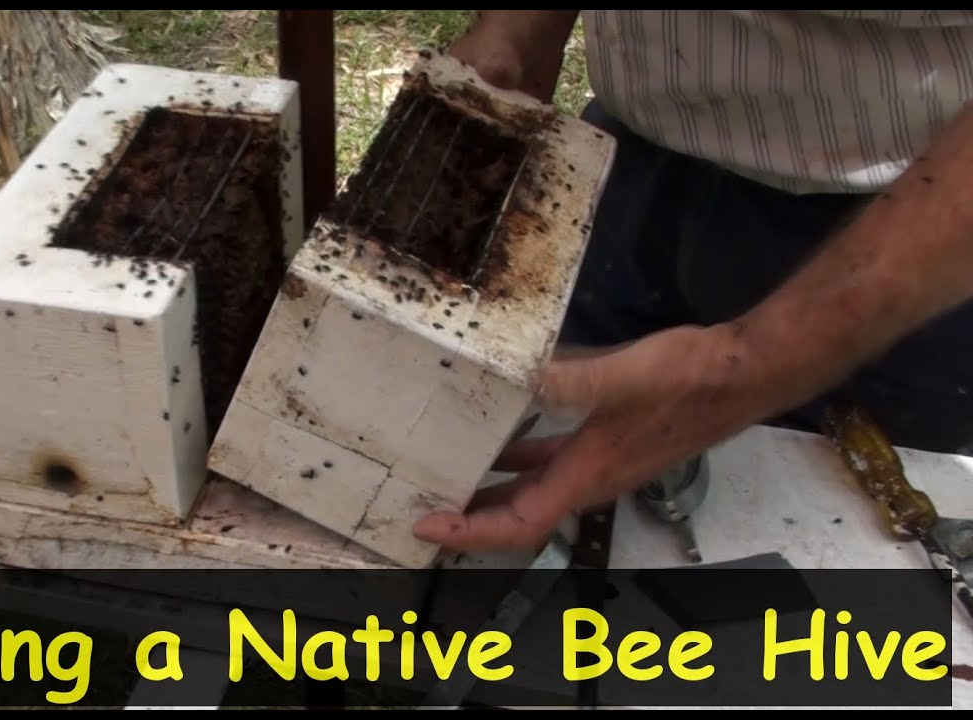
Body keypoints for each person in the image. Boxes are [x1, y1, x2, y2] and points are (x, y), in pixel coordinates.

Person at [412, 10, 973, 554]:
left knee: (841, 584)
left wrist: (758, 359)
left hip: (906, 238)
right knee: (531, 451)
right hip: (625, 162)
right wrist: (523, 26)